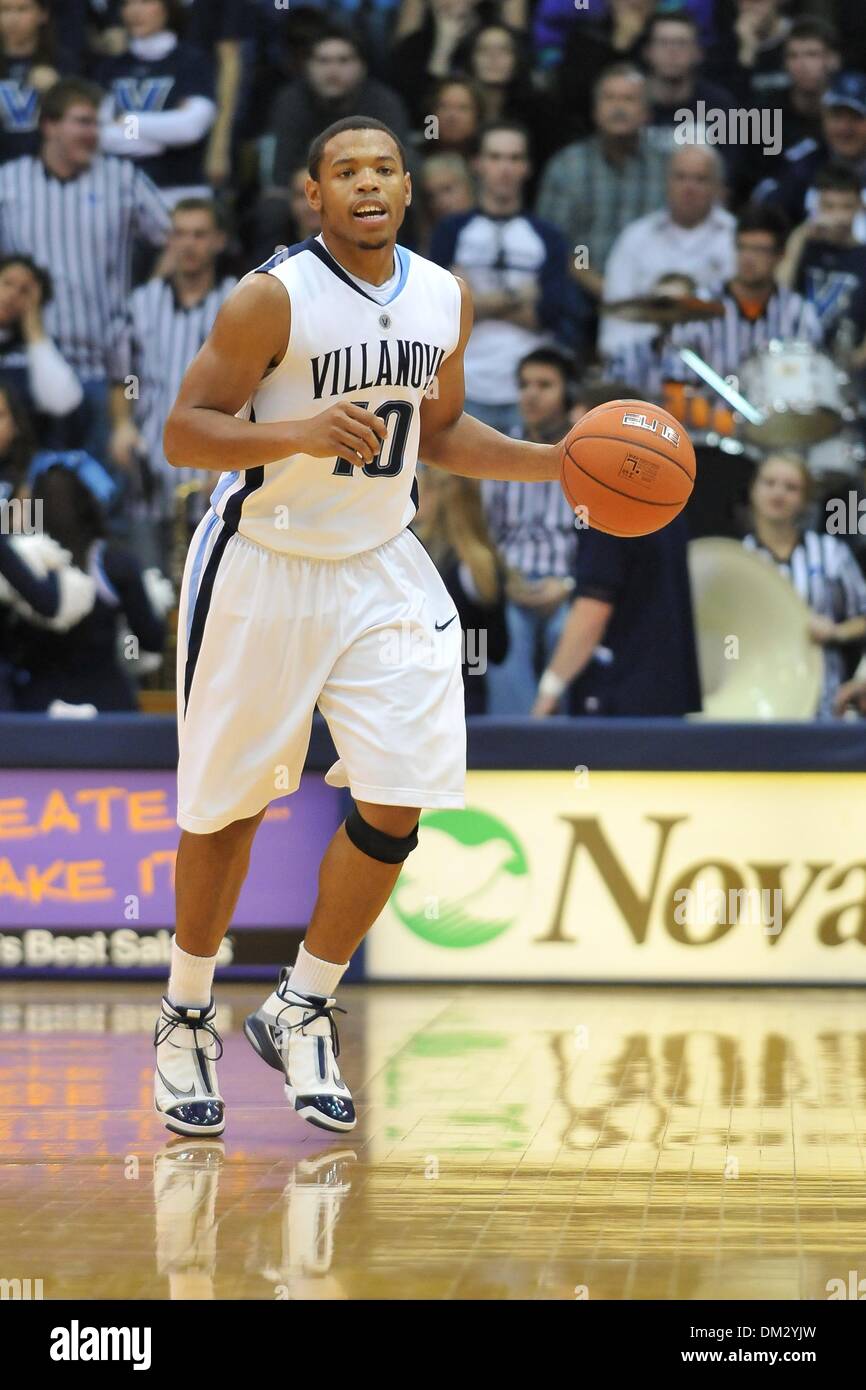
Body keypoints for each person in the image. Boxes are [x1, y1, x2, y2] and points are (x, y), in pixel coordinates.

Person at [157, 115, 581, 1139]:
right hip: (263, 563)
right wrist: (293, 429)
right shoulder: (270, 296)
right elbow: (182, 431)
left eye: (383, 169)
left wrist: (558, 461)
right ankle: (184, 1016)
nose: (366, 185)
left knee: (400, 792)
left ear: (405, 186)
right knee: (227, 811)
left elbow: (436, 433)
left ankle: (302, 1004)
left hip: (381, 565)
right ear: (313, 194)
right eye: (344, 172)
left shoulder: (443, 295)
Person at [0, 77, 171, 470]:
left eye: (96, 123)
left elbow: (174, 238)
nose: (93, 133)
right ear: (50, 126)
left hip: (106, 367)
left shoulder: (122, 178)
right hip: (24, 363)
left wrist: (149, 298)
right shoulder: (9, 182)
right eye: (82, 122)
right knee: (28, 484)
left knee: (101, 491)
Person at [666, 204, 821, 539]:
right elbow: (675, 395)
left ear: (780, 256)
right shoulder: (698, 308)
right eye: (743, 248)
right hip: (714, 443)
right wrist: (731, 426)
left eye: (760, 250)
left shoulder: (799, 314)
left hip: (778, 447)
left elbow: (810, 391)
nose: (748, 258)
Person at [429, 119, 573, 433]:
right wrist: (518, 297)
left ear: (527, 167)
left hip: (526, 389)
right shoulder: (451, 231)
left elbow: (549, 313)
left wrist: (474, 300)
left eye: (514, 158)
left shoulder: (548, 236)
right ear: (477, 164)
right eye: (495, 158)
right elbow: (440, 313)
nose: (504, 168)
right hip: (463, 383)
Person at [121, 197, 235, 569]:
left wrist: (229, 463)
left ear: (219, 240)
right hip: (150, 464)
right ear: (168, 241)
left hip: (216, 471)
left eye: (200, 234)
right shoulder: (142, 302)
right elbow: (122, 376)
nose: (189, 244)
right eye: (180, 234)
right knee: (151, 587)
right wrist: (121, 423)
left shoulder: (241, 299)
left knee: (212, 590)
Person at [11, 454, 167, 710]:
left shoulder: (20, 563)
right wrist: (130, 645)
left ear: (35, 508)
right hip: (107, 705)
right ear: (87, 503)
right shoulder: (116, 563)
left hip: (37, 709)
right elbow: (150, 639)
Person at [481, 346, 580, 713]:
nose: (531, 394)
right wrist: (506, 581)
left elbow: (600, 545)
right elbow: (487, 535)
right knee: (501, 629)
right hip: (513, 583)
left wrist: (570, 585)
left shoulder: (588, 451)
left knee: (566, 629)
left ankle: (562, 748)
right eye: (524, 385)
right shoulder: (500, 447)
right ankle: (515, 747)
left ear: (569, 393)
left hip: (569, 585)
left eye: (544, 385)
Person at [531, 510, 701, 718]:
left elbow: (593, 609)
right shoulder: (667, 497)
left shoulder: (608, 505)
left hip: (620, 701)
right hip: (668, 691)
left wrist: (549, 691)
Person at [743, 451, 866, 718]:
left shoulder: (830, 553)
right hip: (753, 700)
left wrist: (836, 632)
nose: (778, 493)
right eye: (769, 483)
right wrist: (732, 651)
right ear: (753, 490)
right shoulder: (738, 559)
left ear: (804, 499)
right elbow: (725, 637)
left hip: (823, 702)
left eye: (791, 487)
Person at [535, 66, 670, 304]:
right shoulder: (567, 166)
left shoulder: (667, 168)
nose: (618, 108)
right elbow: (554, 243)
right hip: (582, 289)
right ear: (595, 111)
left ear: (647, 112)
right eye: (609, 99)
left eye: (629, 99)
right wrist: (600, 286)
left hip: (652, 290)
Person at [599, 145, 736, 359]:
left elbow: (736, 315)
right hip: (643, 363)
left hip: (715, 364)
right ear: (666, 182)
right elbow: (616, 319)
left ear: (718, 187)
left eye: (700, 179)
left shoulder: (734, 237)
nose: (689, 188)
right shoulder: (635, 237)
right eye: (680, 177)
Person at [92, 0, 217, 205]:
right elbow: (100, 135)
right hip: (119, 192)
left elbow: (189, 129)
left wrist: (125, 120)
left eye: (145, 1)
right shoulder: (110, 68)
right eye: (127, 3)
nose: (135, 11)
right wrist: (163, 137)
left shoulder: (192, 62)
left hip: (181, 193)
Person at [411, 464, 508, 714]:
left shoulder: (412, 556)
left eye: (421, 488)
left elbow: (498, 648)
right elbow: (498, 648)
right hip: (463, 696)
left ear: (436, 495)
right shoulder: (482, 563)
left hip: (431, 696)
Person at [754, 71, 866, 229]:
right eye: (836, 117)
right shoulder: (802, 165)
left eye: (856, 118)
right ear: (824, 118)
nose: (844, 128)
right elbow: (767, 215)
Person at [0, 254, 83, 444]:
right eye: (7, 283)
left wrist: (34, 328)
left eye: (25, 292)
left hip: (21, 457)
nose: (13, 295)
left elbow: (62, 403)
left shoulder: (40, 349)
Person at [0, 0, 72, 163]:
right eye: (5, 10)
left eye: (22, 9)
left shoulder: (65, 63)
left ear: (42, 14)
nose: (12, 19)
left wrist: (58, 92)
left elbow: (89, 124)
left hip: (48, 169)